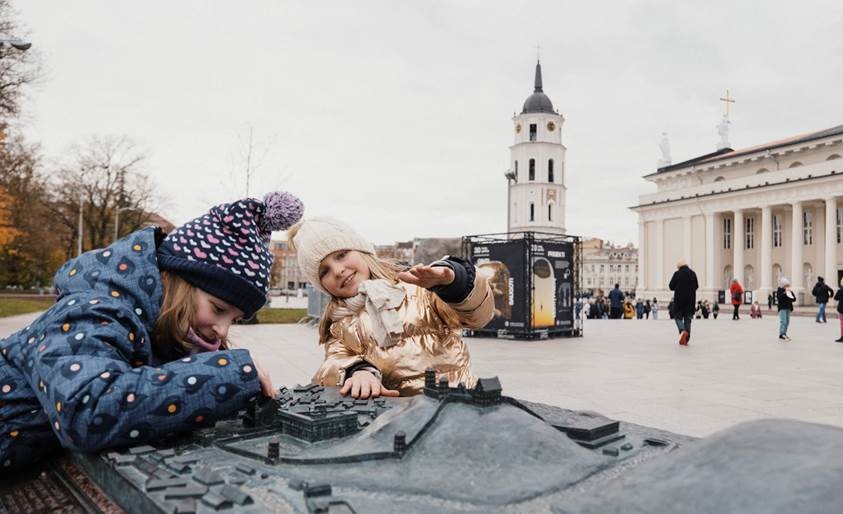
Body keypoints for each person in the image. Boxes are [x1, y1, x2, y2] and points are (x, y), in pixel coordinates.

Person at [0, 192, 303, 472]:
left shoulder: (163, 329)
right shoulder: (93, 308)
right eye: (219, 309)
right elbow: (87, 411)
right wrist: (227, 374)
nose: (223, 330)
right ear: (179, 281)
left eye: (235, 320)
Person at [290, 217, 494, 398]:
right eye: (324, 271)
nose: (338, 270)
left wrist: (455, 281)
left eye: (341, 255)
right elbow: (334, 362)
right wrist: (358, 371)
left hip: (455, 405)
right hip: (395, 419)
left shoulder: (418, 289)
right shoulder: (339, 324)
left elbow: (478, 316)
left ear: (363, 251)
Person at [668, 259, 699, 346]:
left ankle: (682, 330)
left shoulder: (677, 274)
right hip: (690, 301)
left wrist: (678, 287)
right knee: (688, 320)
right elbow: (696, 286)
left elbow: (671, 286)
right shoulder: (693, 273)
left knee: (677, 317)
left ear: (679, 267)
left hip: (679, 301)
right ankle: (686, 338)